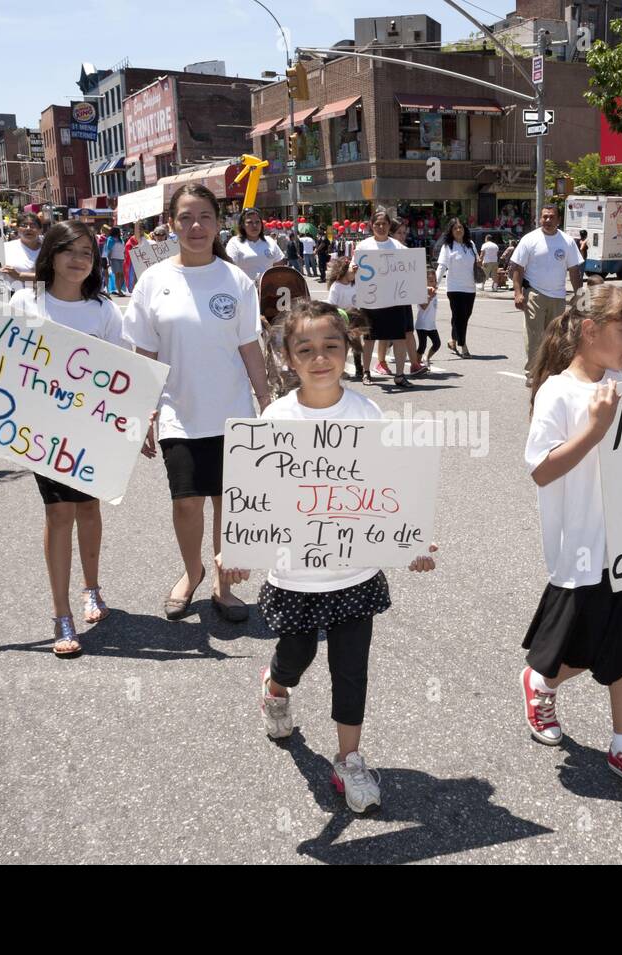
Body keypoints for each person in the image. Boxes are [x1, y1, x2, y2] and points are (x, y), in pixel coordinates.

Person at [224, 300, 437, 813]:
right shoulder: (276, 418)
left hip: (355, 572)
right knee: (296, 656)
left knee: (351, 669)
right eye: (306, 349)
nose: (320, 358)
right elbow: (256, 496)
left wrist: (412, 538)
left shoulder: (365, 412)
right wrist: (234, 551)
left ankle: (350, 759)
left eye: (330, 347)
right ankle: (275, 687)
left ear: (348, 349)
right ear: (286, 358)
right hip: (295, 576)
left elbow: (386, 487)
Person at [520, 283, 622, 799]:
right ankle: (541, 684)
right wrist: (596, 427)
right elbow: (542, 470)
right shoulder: (559, 392)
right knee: (579, 651)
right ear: (590, 331)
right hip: (582, 546)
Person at [123, 184, 274, 622]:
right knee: (186, 502)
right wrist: (142, 411)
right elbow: (144, 353)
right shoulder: (153, 281)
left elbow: (249, 346)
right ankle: (192, 573)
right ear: (170, 223)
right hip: (177, 413)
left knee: (229, 502)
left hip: (233, 413)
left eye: (205, 216)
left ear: (217, 223)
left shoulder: (236, 280)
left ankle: (224, 585)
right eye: (186, 217)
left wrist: (266, 401)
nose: (195, 226)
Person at [10, 221, 127, 657]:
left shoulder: (103, 310)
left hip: (92, 428)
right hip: (43, 430)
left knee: (89, 508)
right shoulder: (26, 301)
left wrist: (142, 415)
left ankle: (92, 588)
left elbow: (123, 372)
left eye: (86, 253)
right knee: (59, 513)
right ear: (51, 255)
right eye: (69, 251)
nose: (78, 260)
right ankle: (62, 614)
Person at [510, 203, 584, 375]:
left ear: (558, 219)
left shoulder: (567, 241)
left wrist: (580, 296)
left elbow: (574, 272)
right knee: (535, 335)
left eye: (552, 217)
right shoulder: (529, 239)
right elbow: (518, 269)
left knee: (555, 336)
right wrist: (518, 293)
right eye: (545, 216)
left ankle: (551, 370)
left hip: (558, 296)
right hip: (535, 294)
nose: (548, 220)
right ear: (539, 218)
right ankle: (534, 371)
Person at [357, 207, 416, 388]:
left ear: (389, 225)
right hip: (370, 300)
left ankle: (399, 375)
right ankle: (366, 372)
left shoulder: (398, 246)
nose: (381, 227)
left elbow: (409, 271)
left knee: (398, 337)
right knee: (369, 338)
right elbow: (355, 271)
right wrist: (354, 271)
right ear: (371, 225)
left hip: (393, 300)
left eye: (384, 224)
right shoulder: (363, 246)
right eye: (377, 224)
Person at [437, 217, 478, 358]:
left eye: (461, 227)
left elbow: (476, 262)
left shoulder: (471, 244)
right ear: (451, 231)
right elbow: (441, 266)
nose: (458, 230)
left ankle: (453, 340)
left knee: (463, 316)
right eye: (455, 228)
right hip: (454, 288)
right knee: (460, 317)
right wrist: (434, 285)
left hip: (470, 287)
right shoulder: (448, 246)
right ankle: (463, 345)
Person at [325, 255, 365, 380]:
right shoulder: (336, 287)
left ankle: (359, 368)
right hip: (342, 319)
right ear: (343, 271)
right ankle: (340, 370)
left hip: (355, 318)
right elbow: (331, 305)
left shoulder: (355, 284)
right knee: (343, 347)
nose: (354, 274)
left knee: (357, 344)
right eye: (352, 272)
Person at [225, 207, 284, 283]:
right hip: (245, 290)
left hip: (268, 290)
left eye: (257, 222)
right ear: (243, 225)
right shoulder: (234, 242)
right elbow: (230, 268)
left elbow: (279, 265)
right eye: (250, 222)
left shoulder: (269, 241)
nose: (254, 225)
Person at [1, 212, 43, 292]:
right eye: (24, 225)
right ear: (17, 229)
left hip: (42, 298)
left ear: (40, 230)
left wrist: (19, 275)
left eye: (33, 226)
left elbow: (52, 277)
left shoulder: (49, 250)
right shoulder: (5, 248)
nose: (28, 228)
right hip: (12, 299)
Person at [413, 268, 441, 368]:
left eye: (435, 280)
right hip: (422, 325)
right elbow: (423, 307)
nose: (433, 283)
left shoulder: (434, 292)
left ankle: (427, 358)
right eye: (430, 281)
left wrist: (432, 294)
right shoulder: (422, 292)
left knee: (437, 344)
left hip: (431, 325)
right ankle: (416, 364)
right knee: (422, 346)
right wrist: (430, 296)